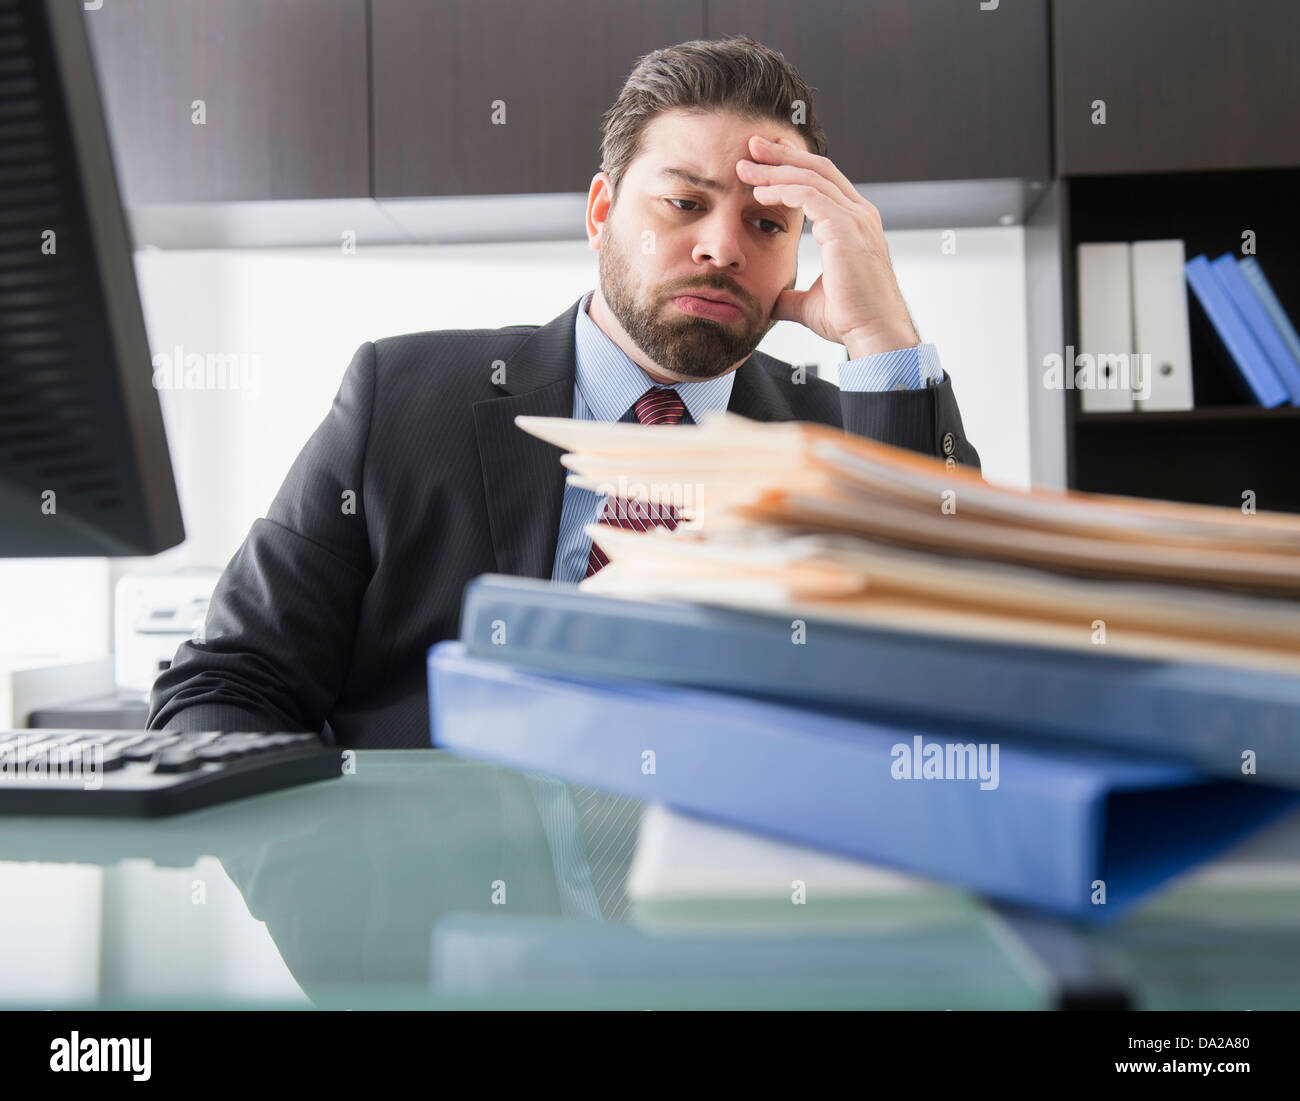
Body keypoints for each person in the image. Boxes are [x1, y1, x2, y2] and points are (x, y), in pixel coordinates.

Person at [148, 35, 981, 748]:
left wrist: (884, 340)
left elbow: (956, 681)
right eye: (684, 203)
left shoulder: (842, 441)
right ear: (600, 213)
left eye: (767, 224)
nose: (722, 248)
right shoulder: (400, 400)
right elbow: (231, 682)